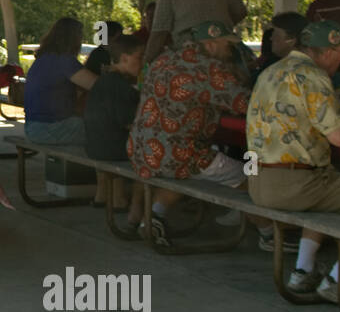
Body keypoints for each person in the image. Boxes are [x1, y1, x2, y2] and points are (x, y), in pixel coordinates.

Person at [245, 20, 340, 308]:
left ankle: (302, 271)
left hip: (258, 181)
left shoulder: (271, 71)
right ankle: (337, 281)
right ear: (328, 51)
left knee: (329, 183)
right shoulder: (312, 75)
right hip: (295, 184)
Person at [128, 20, 251, 242]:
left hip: (140, 149)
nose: (230, 50)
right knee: (252, 178)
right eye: (227, 45)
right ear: (212, 44)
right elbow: (247, 105)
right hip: (177, 154)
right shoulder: (210, 69)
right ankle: (271, 235)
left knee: (185, 168)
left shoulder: (163, 59)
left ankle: (153, 218)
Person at [84, 34, 145, 228]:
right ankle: (137, 210)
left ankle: (113, 198)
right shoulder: (121, 86)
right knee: (153, 159)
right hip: (113, 149)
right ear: (125, 58)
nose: (142, 62)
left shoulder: (104, 81)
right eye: (139, 57)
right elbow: (130, 122)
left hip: (94, 146)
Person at [145, 0, 247, 63]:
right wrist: (220, 28)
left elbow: (158, 34)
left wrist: (146, 63)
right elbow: (241, 11)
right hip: (224, 48)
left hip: (190, 52)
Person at [22, 17, 97, 144]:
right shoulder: (65, 61)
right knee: (105, 130)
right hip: (50, 128)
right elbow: (98, 85)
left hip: (33, 127)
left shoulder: (43, 58)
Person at [252, 12, 310, 87]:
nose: (271, 38)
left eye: (275, 34)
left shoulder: (274, 72)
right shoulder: (318, 72)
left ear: (291, 39)